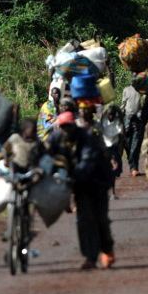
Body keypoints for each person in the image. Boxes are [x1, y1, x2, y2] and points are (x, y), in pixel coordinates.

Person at [50, 111, 116, 270]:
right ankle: (90, 257)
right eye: (62, 127)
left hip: (97, 183)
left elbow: (87, 162)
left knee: (100, 219)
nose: (65, 130)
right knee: (84, 221)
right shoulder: (57, 139)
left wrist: (71, 178)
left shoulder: (87, 139)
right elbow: (45, 154)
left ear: (74, 125)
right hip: (79, 185)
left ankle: (107, 250)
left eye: (68, 126)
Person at [121, 84, 145, 178]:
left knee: (135, 145)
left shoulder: (142, 90)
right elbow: (123, 105)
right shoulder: (126, 90)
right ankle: (132, 166)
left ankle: (134, 168)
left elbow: (143, 104)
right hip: (127, 119)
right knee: (127, 144)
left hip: (137, 120)